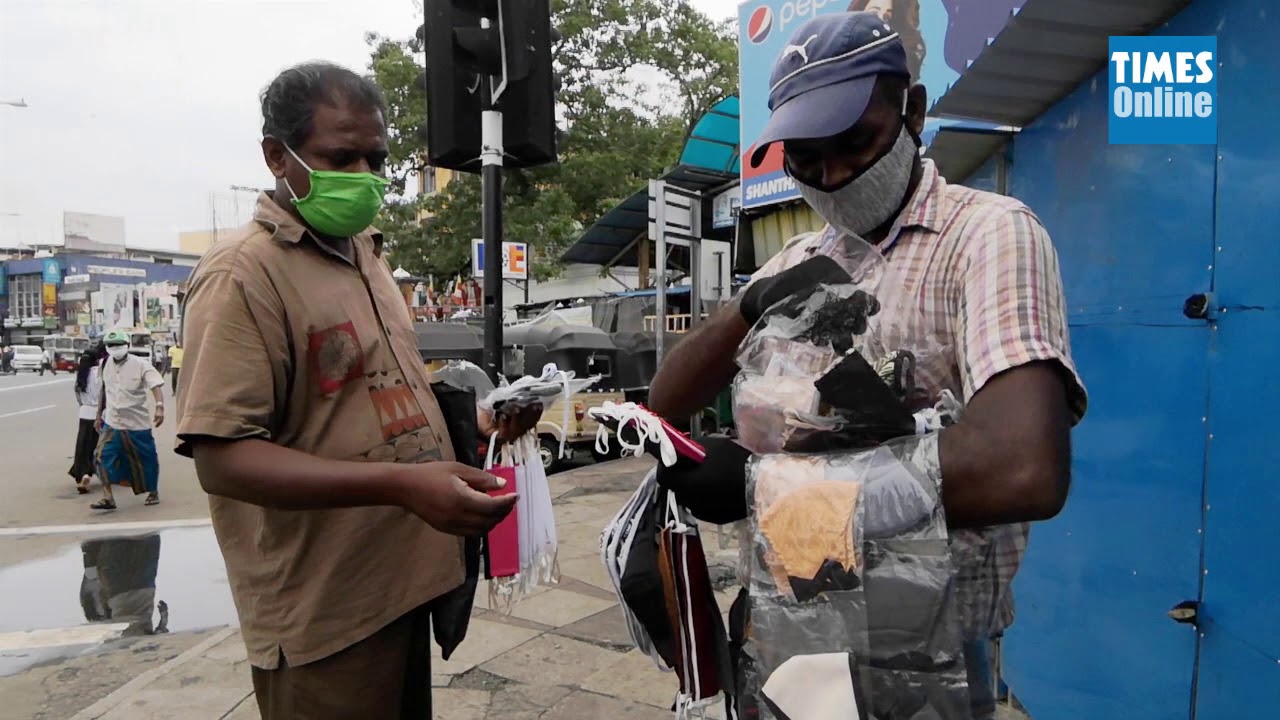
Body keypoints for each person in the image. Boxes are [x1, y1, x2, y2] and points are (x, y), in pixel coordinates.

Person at [649, 13, 1087, 719]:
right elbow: (665, 400)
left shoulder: (988, 236)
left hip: (930, 648)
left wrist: (764, 487)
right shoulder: (798, 264)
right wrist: (750, 304)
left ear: (912, 111)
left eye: (855, 143)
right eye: (805, 159)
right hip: (795, 622)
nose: (832, 175)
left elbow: (1022, 470)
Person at [176, 61, 537, 720]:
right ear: (276, 157)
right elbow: (221, 458)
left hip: (401, 583)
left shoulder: (365, 255)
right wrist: (401, 486)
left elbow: (368, 397)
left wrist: (477, 428)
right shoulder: (241, 277)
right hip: (326, 613)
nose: (365, 177)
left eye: (376, 159)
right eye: (341, 157)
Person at [92, 329, 165, 510]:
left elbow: (155, 385)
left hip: (137, 422)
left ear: (127, 346)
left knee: (146, 459)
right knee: (101, 455)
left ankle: (153, 491)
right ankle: (108, 496)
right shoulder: (104, 364)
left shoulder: (141, 364)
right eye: (111, 346)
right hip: (112, 421)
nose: (115, 349)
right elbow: (104, 390)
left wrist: (160, 407)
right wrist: (98, 415)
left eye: (118, 345)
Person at [69, 344, 106, 494]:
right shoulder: (99, 373)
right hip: (100, 414)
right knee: (98, 446)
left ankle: (83, 473)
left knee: (82, 447)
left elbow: (78, 395)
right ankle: (99, 472)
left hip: (84, 413)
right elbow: (105, 393)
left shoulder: (81, 374)